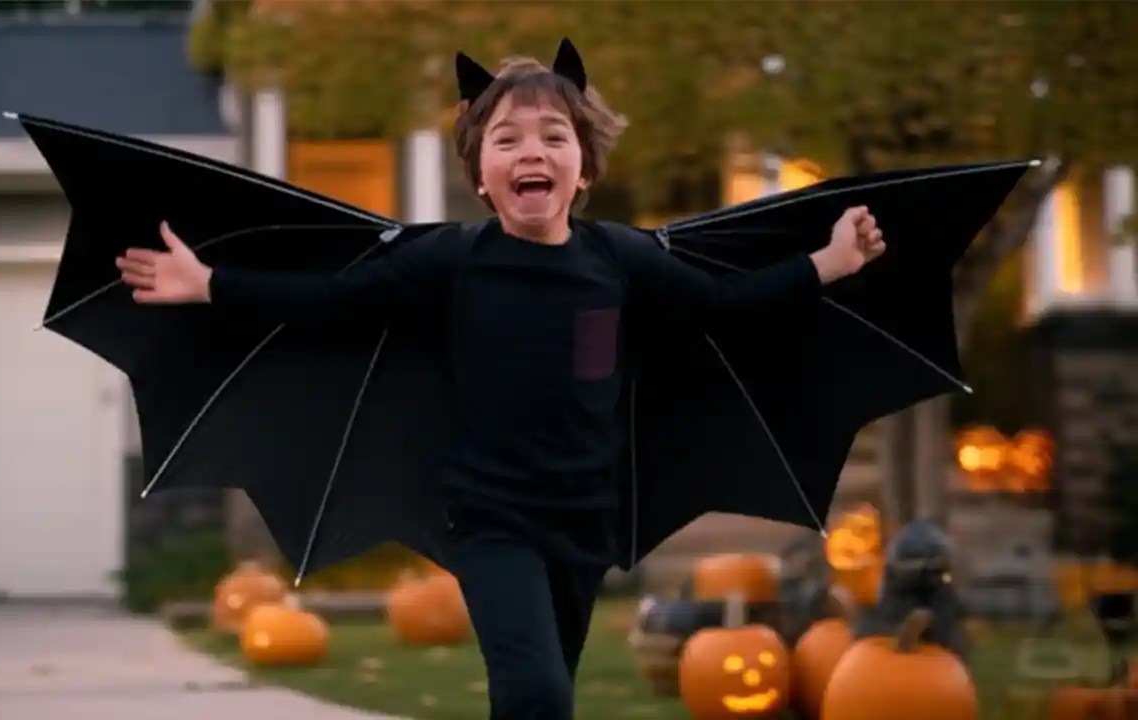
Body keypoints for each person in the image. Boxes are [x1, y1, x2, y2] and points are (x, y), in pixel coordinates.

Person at [116, 40, 884, 720]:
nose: (532, 152)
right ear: (480, 174)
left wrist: (827, 264)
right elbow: (331, 305)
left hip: (586, 524)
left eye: (555, 137)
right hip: (491, 523)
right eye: (506, 139)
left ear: (583, 169)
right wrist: (210, 283)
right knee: (537, 697)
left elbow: (724, 308)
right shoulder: (449, 260)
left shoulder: (619, 260)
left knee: (545, 696)